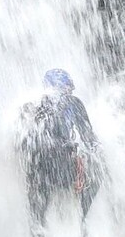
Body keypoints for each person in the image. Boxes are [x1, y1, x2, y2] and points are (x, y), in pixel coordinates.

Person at [18, 67, 101, 225]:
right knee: (98, 172)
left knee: (38, 207)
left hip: (38, 168)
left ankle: (38, 230)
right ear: (65, 87)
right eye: (69, 88)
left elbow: (22, 138)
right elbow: (89, 138)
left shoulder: (33, 105)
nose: (70, 91)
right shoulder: (73, 103)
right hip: (62, 165)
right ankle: (83, 219)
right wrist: (96, 153)